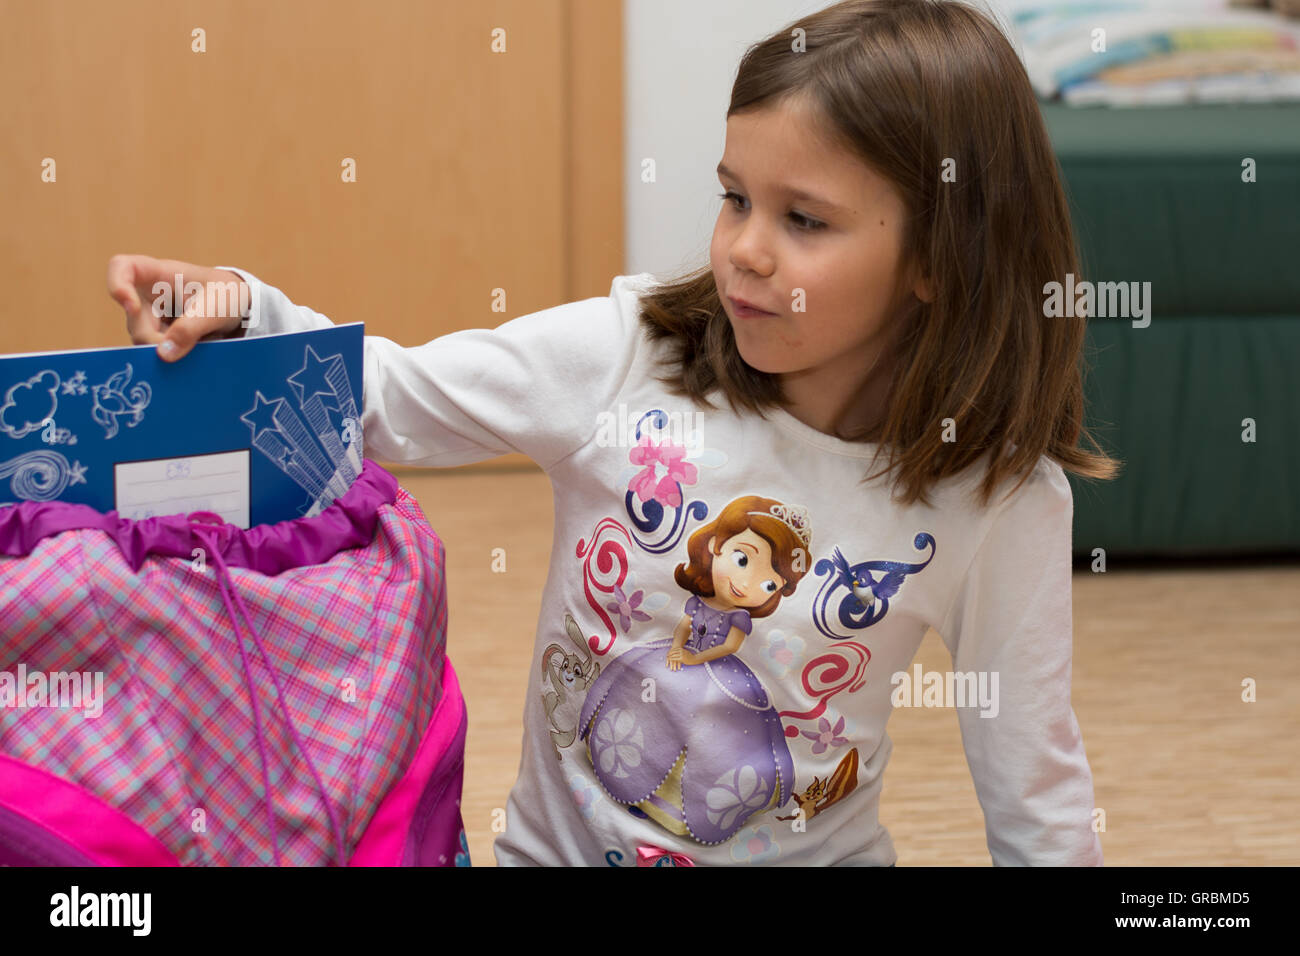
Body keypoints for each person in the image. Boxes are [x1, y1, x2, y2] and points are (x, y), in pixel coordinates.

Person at [110, 0, 1118, 866]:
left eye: (802, 220)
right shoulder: (627, 354)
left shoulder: (998, 495)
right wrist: (246, 308)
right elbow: (390, 401)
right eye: (734, 199)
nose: (743, 250)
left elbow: (1030, 777)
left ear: (939, 258)